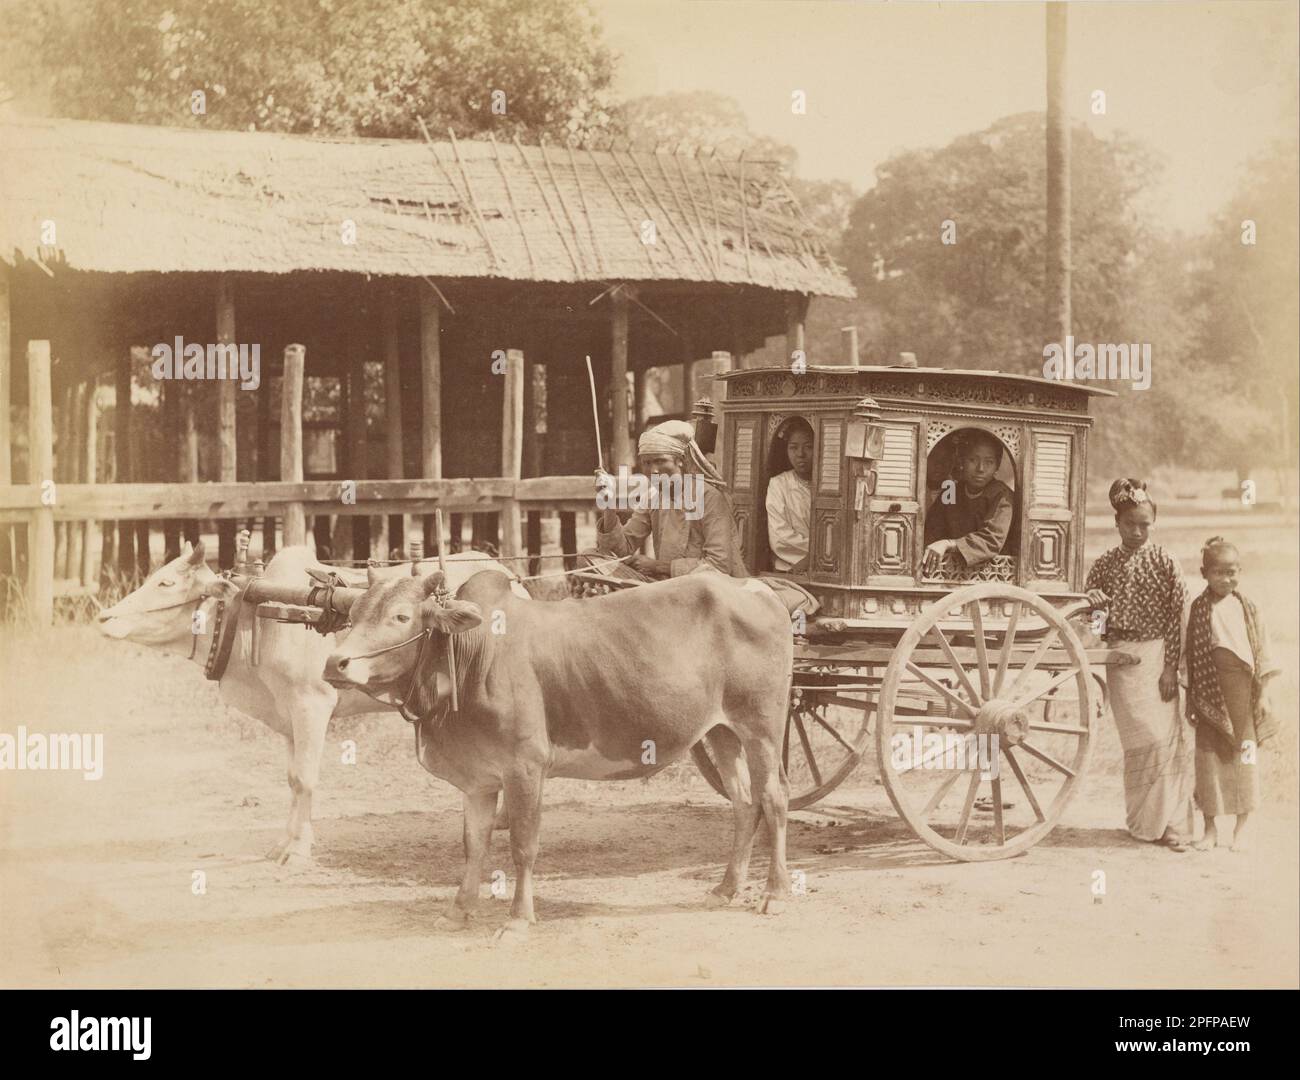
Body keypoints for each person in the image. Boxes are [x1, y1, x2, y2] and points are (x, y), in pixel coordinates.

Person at [1085, 478, 1193, 851]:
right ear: (1117, 523)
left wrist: (1169, 669)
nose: (1137, 531)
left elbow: (1177, 617)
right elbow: (1096, 630)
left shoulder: (1164, 560)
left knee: (1164, 741)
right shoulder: (1103, 565)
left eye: (1144, 524)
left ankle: (1174, 825)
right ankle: (1144, 823)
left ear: (1153, 522)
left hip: (1157, 656)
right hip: (1121, 660)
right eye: (1130, 523)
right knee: (1139, 744)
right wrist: (1095, 605)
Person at [1186, 537, 1279, 853]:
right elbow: (1193, 659)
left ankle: (1242, 828)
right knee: (1208, 761)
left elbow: (1263, 653)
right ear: (1204, 573)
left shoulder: (1248, 608)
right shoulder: (1198, 610)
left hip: (1243, 695)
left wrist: (1264, 695)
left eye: (1233, 572)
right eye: (1219, 572)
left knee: (1245, 758)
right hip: (1210, 692)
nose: (1227, 579)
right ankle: (1209, 828)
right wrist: (1192, 698)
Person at [592, 420, 746, 581]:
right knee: (591, 560)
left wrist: (658, 566)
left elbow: (719, 565)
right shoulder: (652, 496)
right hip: (665, 585)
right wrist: (609, 505)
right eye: (646, 463)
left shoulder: (709, 497)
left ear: (680, 460)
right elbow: (620, 551)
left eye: (660, 461)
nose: (653, 471)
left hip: (707, 590)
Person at [922, 428, 1014, 573]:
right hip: (948, 571)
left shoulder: (1002, 495)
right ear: (962, 461)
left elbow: (991, 540)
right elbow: (934, 527)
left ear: (997, 466)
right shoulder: (951, 490)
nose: (981, 469)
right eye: (973, 460)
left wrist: (949, 544)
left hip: (991, 573)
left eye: (989, 462)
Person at [765, 418, 813, 573]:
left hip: (828, 565)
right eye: (793, 448)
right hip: (790, 568)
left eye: (809, 447)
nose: (800, 454)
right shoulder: (779, 484)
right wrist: (814, 555)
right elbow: (780, 535)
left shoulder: (830, 485)